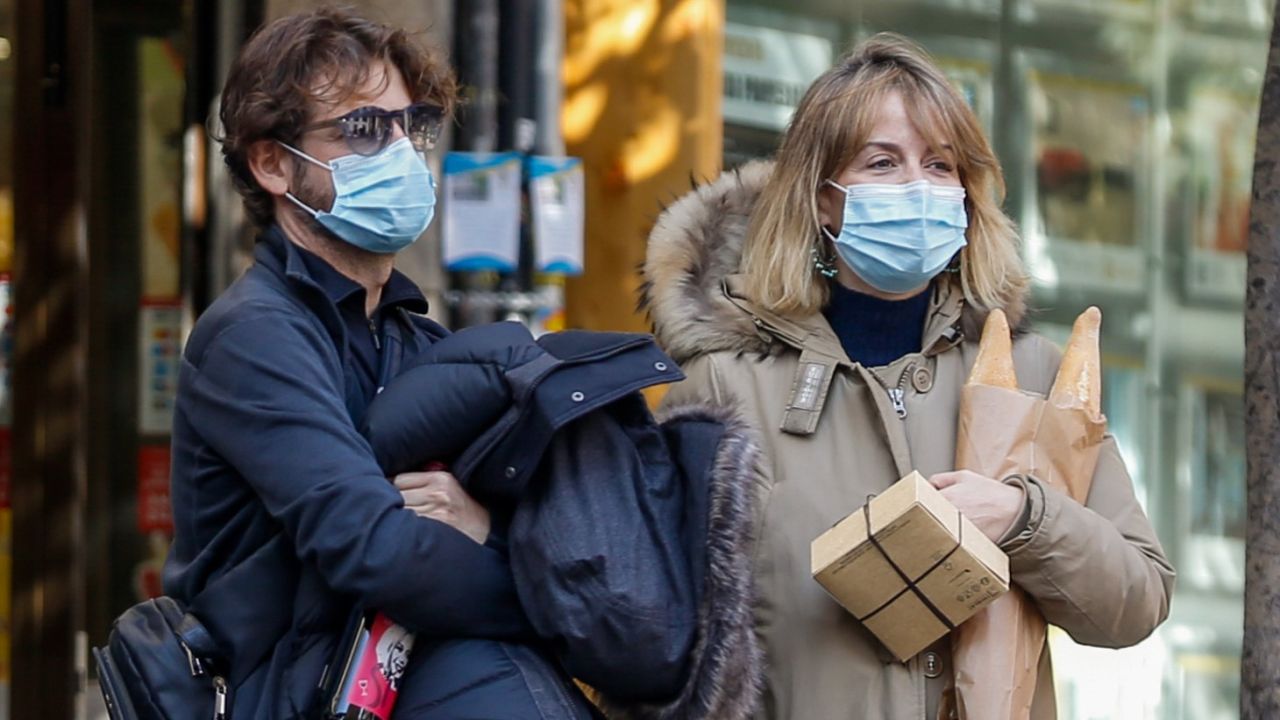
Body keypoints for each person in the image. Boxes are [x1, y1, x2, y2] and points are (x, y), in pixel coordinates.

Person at [643, 33, 1174, 720]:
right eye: (882, 163)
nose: (917, 189)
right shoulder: (724, 386)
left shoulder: (1031, 375)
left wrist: (1024, 517)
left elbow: (1136, 604)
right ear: (822, 198)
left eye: (940, 166)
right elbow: (652, 637)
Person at [164, 8, 595, 718]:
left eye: (409, 125)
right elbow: (377, 549)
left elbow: (528, 519)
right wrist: (553, 602)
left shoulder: (413, 339)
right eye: (363, 128)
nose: (401, 149)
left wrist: (486, 531)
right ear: (273, 162)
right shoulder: (253, 336)